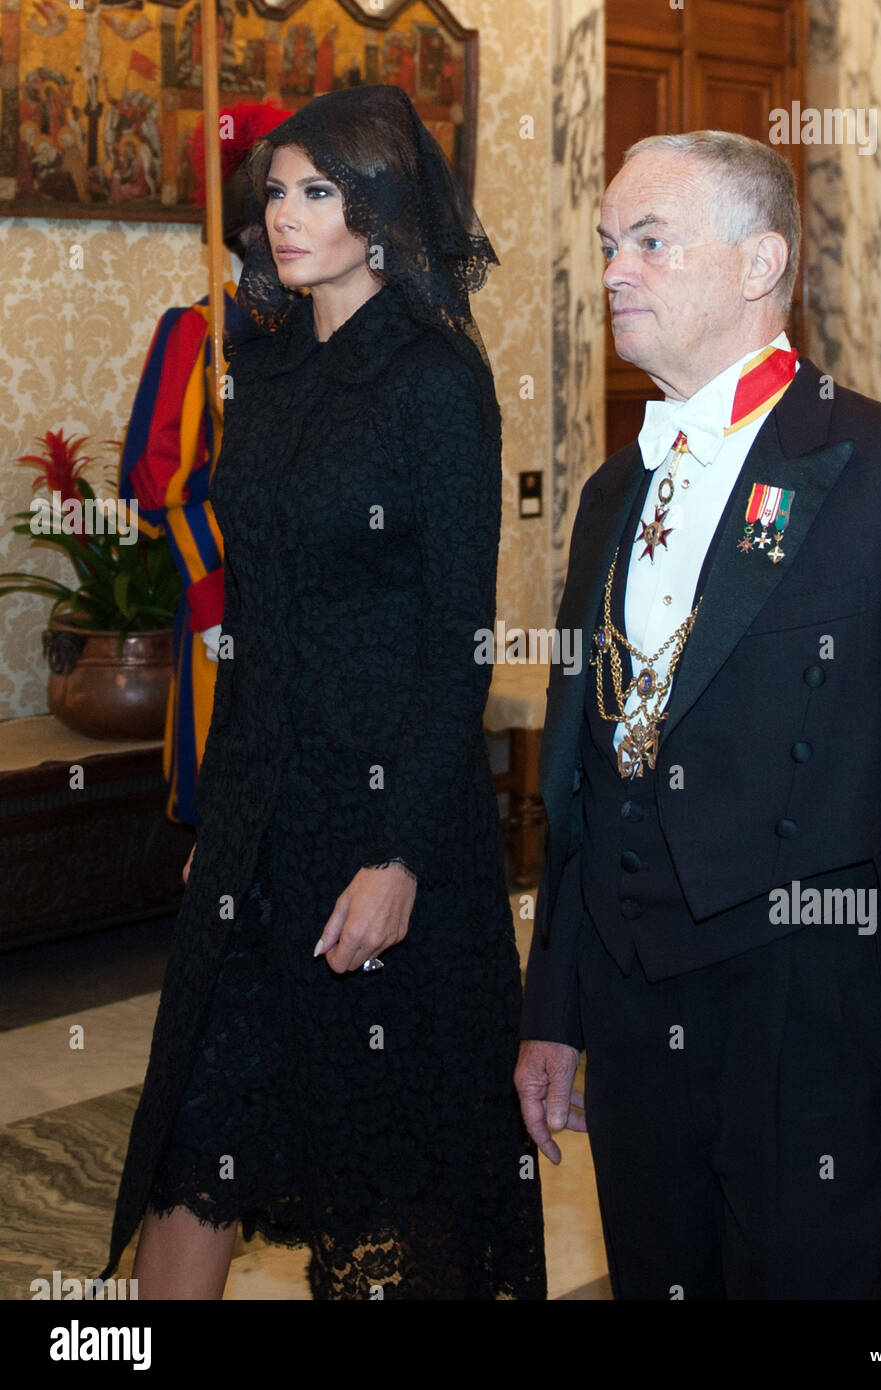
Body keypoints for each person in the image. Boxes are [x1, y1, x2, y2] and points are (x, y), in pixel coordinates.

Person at [515, 130, 881, 1300]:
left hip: (817, 1019)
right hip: (632, 996)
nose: (612, 270)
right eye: (607, 244)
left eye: (649, 241)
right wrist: (552, 1009)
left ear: (760, 264)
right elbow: (581, 782)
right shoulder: (614, 489)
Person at [103, 85, 545, 1300]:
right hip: (267, 804)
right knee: (198, 1128)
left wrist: (399, 856)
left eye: (316, 192)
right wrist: (228, 810)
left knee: (385, 1163)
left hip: (385, 815)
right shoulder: (266, 361)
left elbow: (459, 638)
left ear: (382, 208)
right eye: (275, 193)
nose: (282, 216)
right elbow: (258, 612)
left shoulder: (436, 383)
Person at [120, 101, 290, 826]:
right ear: (244, 229)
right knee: (236, 812)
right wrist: (215, 600)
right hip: (234, 606)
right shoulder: (199, 332)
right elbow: (165, 479)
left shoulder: (339, 330)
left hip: (327, 615)